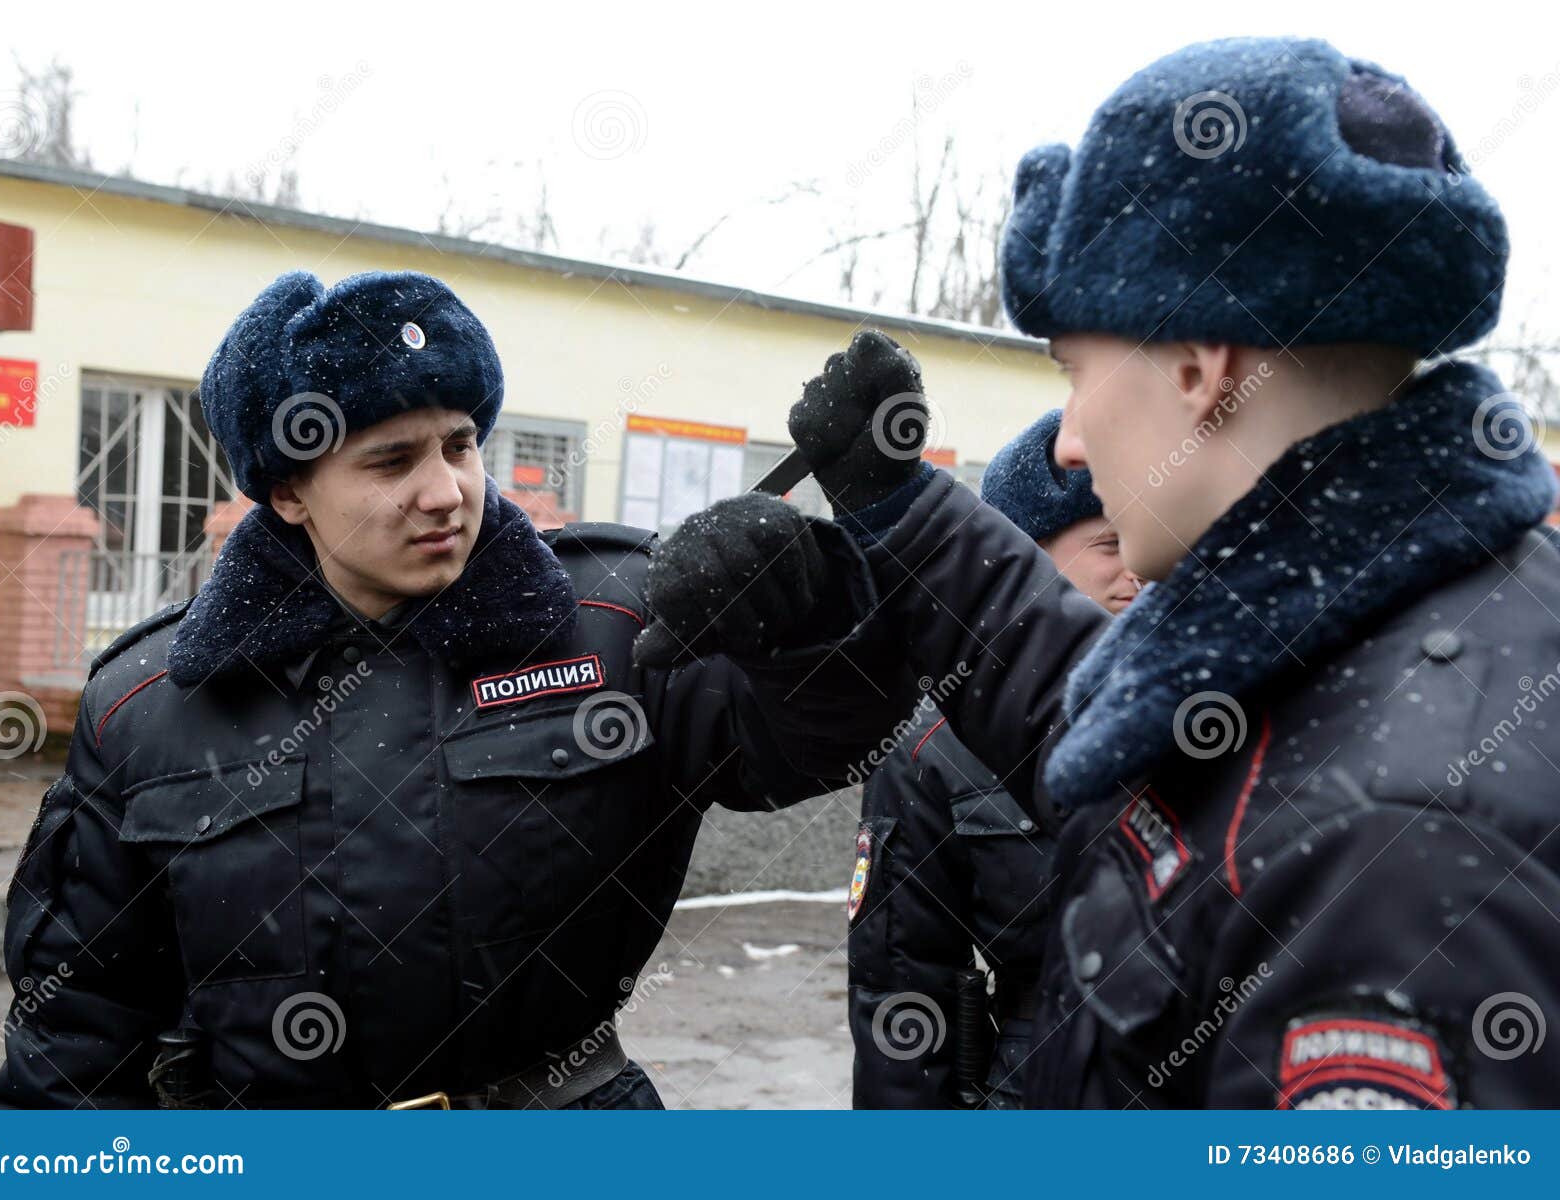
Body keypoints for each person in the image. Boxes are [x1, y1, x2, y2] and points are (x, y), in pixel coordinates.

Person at [643, 37, 1560, 1107]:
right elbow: (1135, 738)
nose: (1068, 442)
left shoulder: (1390, 849)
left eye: (1076, 374)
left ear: (1197, 368)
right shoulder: (1378, 614)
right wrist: (897, 518)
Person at [0, 269, 910, 1109]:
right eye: (392, 462)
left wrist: (825, 600)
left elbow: (819, 736)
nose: (446, 491)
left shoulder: (615, 623)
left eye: (460, 446)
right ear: (289, 494)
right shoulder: (149, 705)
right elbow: (75, 1033)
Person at [849, 410, 1140, 1109]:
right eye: (1109, 545)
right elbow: (903, 993)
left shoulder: (1208, 706)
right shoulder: (933, 747)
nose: (1141, 570)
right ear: (1023, 560)